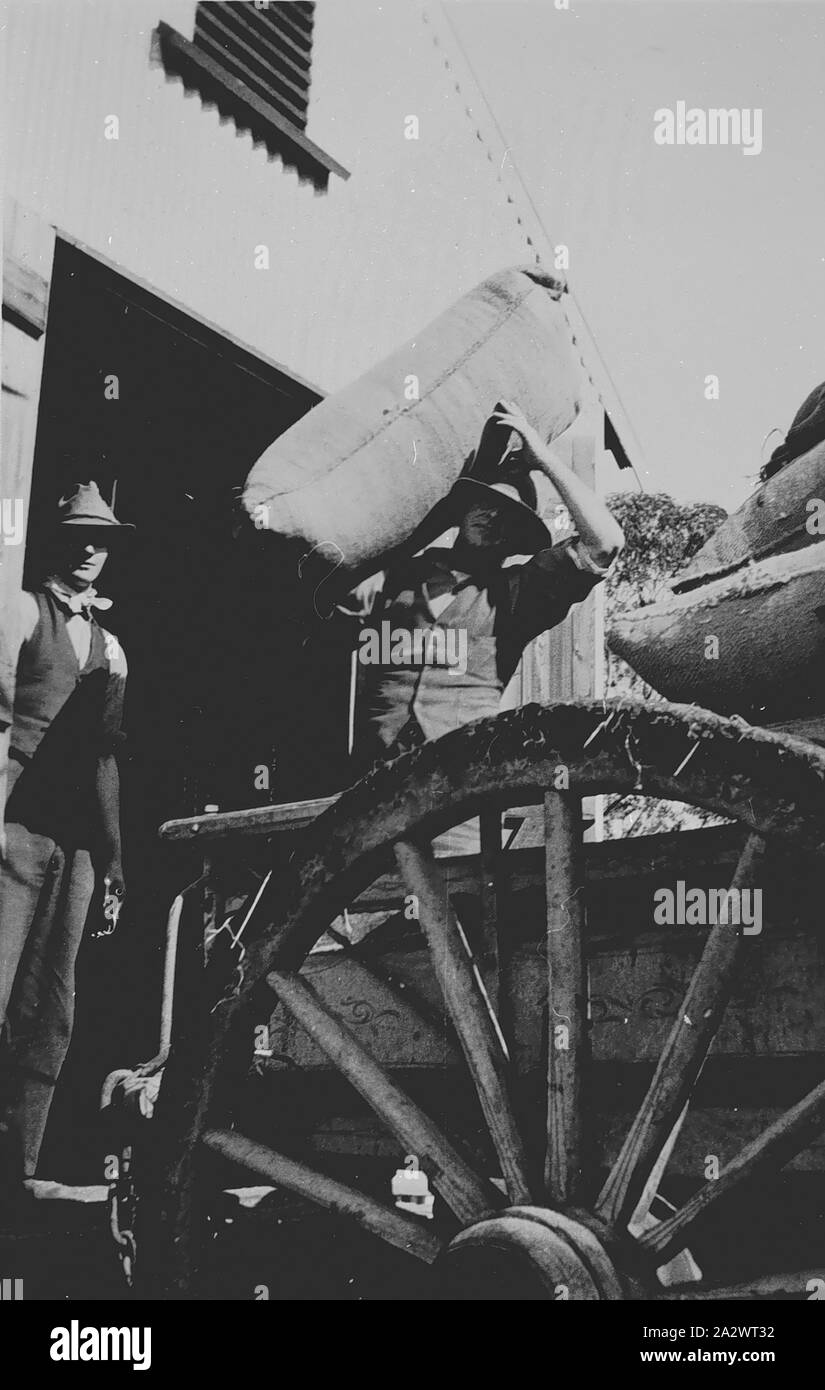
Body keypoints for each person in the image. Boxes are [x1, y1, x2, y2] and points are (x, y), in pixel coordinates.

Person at [345, 400, 624, 852]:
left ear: (515, 535)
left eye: (506, 514)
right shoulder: (397, 575)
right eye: (483, 502)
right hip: (371, 801)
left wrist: (541, 457)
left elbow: (606, 543)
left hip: (461, 805)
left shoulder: (518, 594)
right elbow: (334, 570)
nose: (490, 515)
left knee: (462, 917)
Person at [0, 481, 132, 1204]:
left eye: (102, 538)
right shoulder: (22, 611)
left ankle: (15, 1177)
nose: (89, 548)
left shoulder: (114, 648)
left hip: (74, 843)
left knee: (50, 1008)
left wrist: (114, 861)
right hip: (14, 826)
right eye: (78, 534)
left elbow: (107, 757)